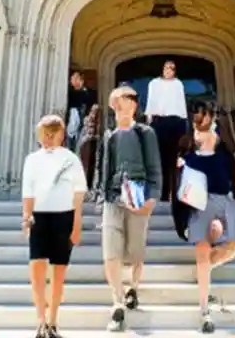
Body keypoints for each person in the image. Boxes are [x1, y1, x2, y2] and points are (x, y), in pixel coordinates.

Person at [97, 86, 162, 332]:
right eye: (114, 101)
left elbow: (154, 166)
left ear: (133, 104)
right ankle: (117, 301)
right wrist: (101, 196)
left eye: (121, 100)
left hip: (138, 193)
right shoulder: (109, 135)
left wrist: (152, 197)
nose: (116, 105)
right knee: (110, 249)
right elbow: (103, 168)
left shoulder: (145, 132)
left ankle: (133, 287)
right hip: (113, 195)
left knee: (136, 248)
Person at [21, 114, 88, 338]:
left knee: (59, 272)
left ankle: (53, 321)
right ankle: (40, 320)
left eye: (52, 134)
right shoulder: (32, 159)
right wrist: (26, 217)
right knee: (37, 268)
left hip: (64, 217)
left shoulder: (70, 159)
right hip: (39, 217)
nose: (48, 139)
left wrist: (77, 223)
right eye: (44, 135)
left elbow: (79, 193)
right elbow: (28, 192)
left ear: (61, 135)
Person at [178, 109, 235, 334]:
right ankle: (204, 311)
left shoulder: (224, 154)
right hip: (200, 206)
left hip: (224, 202)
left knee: (232, 248)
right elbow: (182, 193)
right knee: (202, 253)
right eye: (199, 127)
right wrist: (183, 223)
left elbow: (234, 179)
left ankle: (203, 270)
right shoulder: (189, 159)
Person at [145, 60, 188, 202]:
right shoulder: (154, 83)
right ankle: (162, 193)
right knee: (160, 159)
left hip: (176, 122)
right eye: (166, 68)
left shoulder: (178, 84)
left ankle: (175, 192)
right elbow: (151, 103)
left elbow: (181, 105)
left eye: (172, 68)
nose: (169, 70)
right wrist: (149, 122)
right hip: (159, 122)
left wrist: (184, 126)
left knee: (174, 160)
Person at [66, 71, 96, 151]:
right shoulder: (68, 93)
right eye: (72, 79)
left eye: (76, 78)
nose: (73, 81)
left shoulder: (88, 93)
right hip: (70, 126)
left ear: (81, 80)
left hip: (83, 125)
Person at [77, 104, 101, 192]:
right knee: (85, 166)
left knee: (92, 166)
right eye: (94, 111)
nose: (95, 114)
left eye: (97, 112)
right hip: (86, 145)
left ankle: (89, 185)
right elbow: (88, 133)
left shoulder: (98, 121)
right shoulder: (88, 119)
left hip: (92, 145)